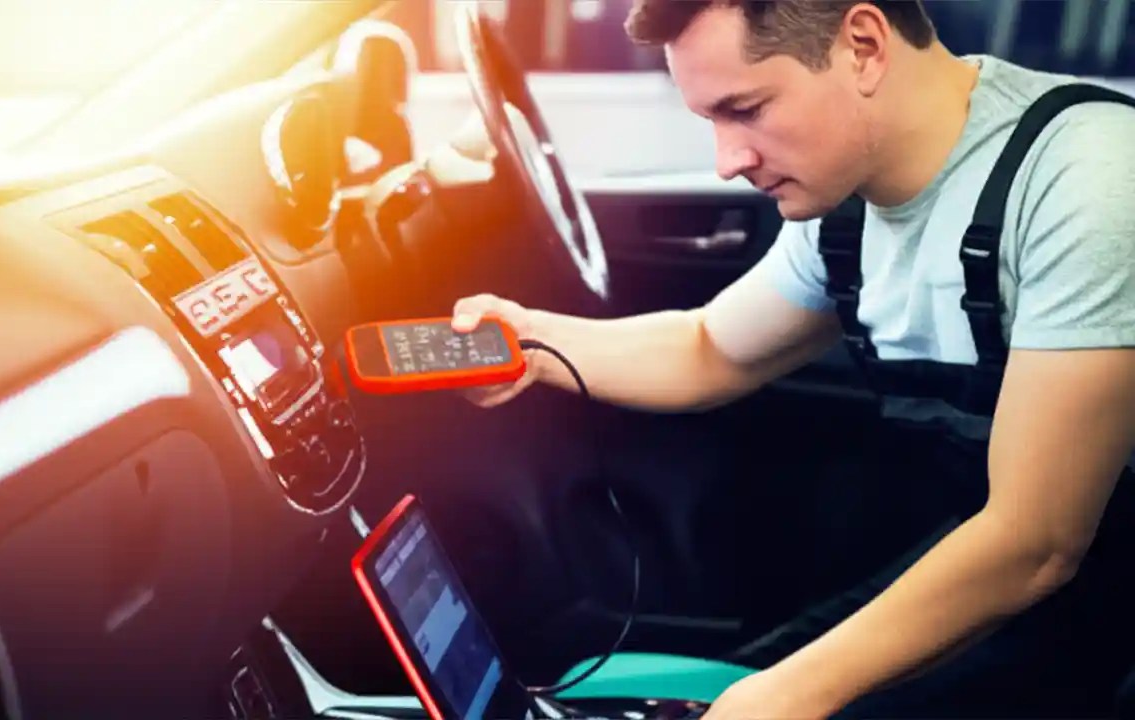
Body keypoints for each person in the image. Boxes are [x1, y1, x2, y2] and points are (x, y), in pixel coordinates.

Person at [449, 0, 1135, 717]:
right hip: (1027, 582)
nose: (726, 162)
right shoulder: (849, 204)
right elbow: (710, 348)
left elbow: (1037, 539)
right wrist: (532, 342)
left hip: (1096, 608)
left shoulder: (1086, 180)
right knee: (720, 688)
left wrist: (791, 695)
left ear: (863, 46)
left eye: (744, 109)